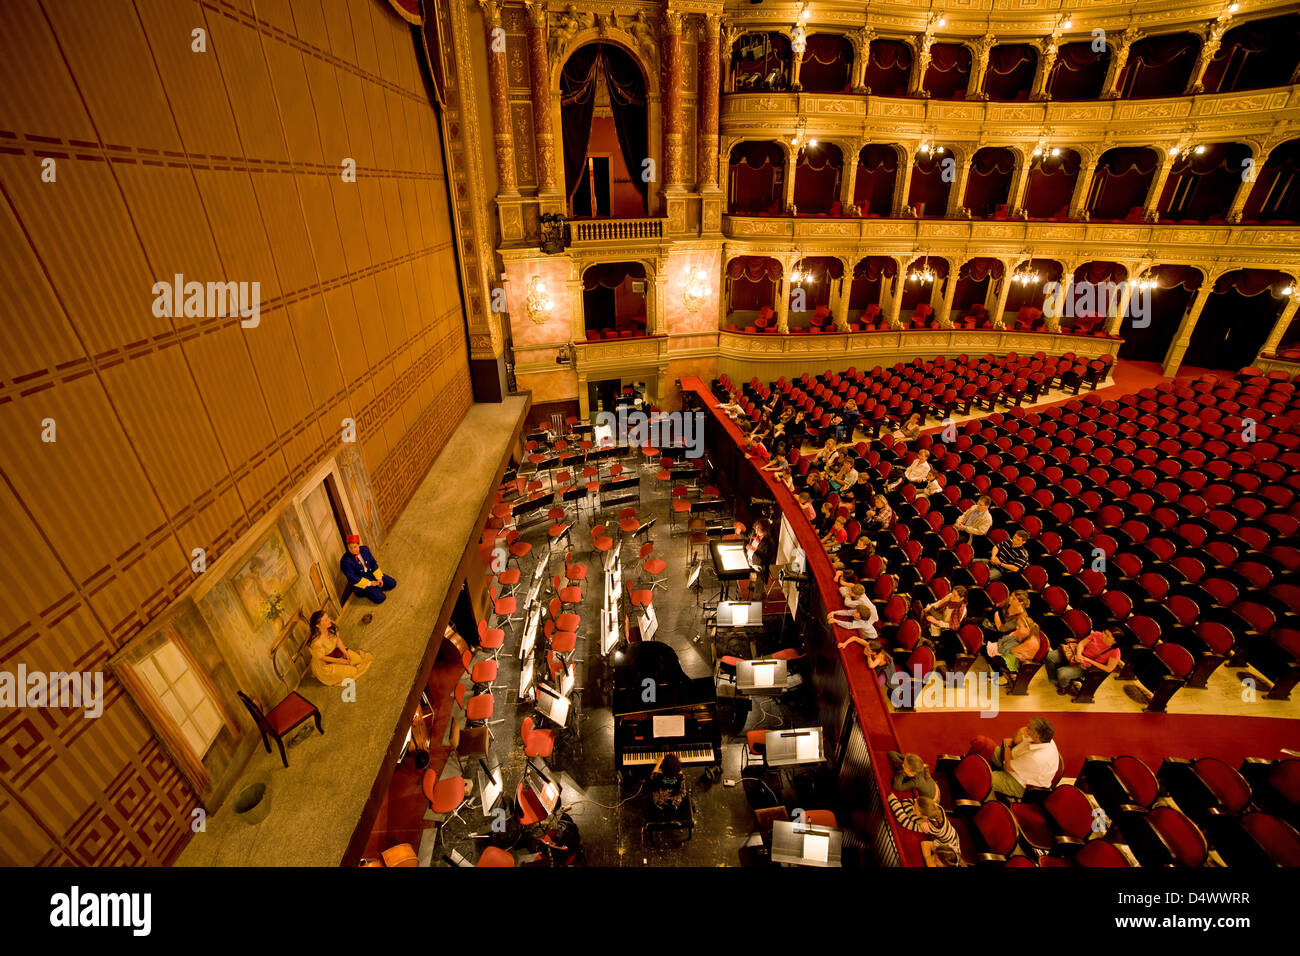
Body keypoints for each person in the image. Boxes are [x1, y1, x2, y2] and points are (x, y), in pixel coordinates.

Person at [969, 717, 1060, 799]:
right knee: (981, 742)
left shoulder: (1036, 758)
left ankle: (969, 796)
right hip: (1013, 758)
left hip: (1018, 782)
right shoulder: (1043, 738)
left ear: (1036, 737)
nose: (1026, 727)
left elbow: (1007, 766)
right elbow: (1015, 741)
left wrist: (1007, 747)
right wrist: (1019, 732)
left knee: (982, 778)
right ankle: (966, 766)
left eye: (1029, 728)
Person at [1045, 629, 1121, 695]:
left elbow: (1109, 669)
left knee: (1062, 673)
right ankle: (1054, 680)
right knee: (1050, 656)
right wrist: (1078, 654)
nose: (1103, 635)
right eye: (1104, 632)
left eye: (1107, 636)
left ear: (1115, 641)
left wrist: (1087, 660)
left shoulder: (1115, 652)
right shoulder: (1097, 634)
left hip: (1086, 666)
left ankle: (1064, 686)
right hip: (1076, 653)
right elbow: (1081, 643)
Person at [308, 610, 373, 685]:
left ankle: (343, 663)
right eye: (326, 620)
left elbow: (337, 640)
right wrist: (339, 661)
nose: (329, 620)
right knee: (353, 671)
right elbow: (322, 657)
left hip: (335, 651)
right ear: (318, 626)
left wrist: (345, 653)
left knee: (358, 660)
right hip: (324, 663)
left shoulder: (331, 626)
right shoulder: (316, 642)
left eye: (328, 617)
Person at [887, 794, 962, 857]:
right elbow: (906, 801)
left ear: (925, 817)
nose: (913, 807)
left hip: (949, 846)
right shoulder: (935, 807)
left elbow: (904, 821)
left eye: (914, 808)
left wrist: (893, 800)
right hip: (953, 835)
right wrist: (917, 818)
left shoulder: (930, 828)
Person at [340, 534, 397, 603]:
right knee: (381, 598)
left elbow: (373, 564)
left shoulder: (365, 549)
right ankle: (369, 591)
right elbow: (353, 578)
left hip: (370, 575)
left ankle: (376, 587)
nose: (352, 550)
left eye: (355, 547)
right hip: (361, 582)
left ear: (359, 545)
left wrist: (379, 578)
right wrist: (370, 583)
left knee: (392, 583)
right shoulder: (345, 561)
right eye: (350, 548)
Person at [648, 753, 688, 818]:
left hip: (660, 803)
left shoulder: (658, 776)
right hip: (675, 803)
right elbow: (683, 792)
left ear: (662, 768)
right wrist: (676, 766)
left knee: (653, 787)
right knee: (682, 790)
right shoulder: (681, 777)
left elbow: (652, 775)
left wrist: (659, 763)